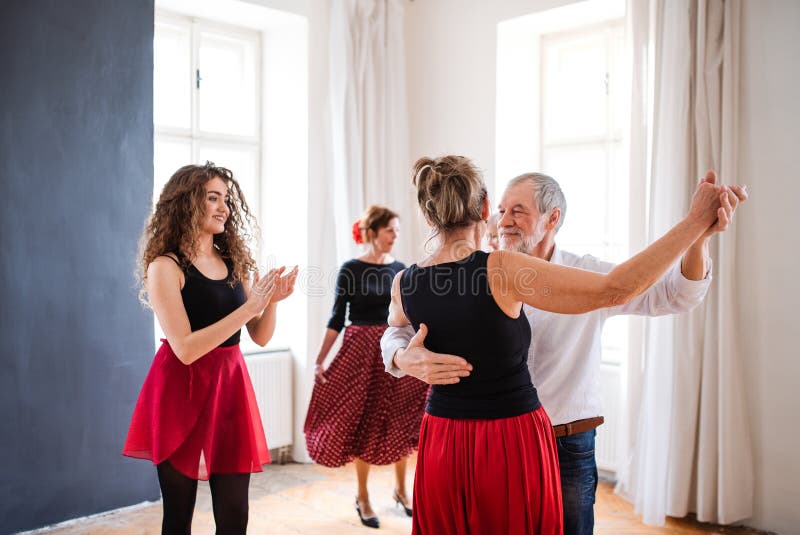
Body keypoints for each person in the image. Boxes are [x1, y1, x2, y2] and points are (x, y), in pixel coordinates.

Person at [387, 155, 737, 534]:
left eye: (518, 211)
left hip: (486, 439)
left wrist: (698, 238)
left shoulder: (406, 282)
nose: (506, 220)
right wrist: (401, 357)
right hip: (508, 439)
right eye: (502, 210)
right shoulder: (499, 267)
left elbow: (674, 294)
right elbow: (395, 334)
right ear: (486, 209)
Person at [123, 162, 298, 534]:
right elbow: (185, 349)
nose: (224, 208)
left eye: (226, 200)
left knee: (235, 516)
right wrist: (250, 307)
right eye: (213, 198)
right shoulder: (165, 267)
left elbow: (259, 336)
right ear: (187, 202)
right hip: (179, 391)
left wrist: (271, 303)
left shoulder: (234, 262)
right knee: (178, 517)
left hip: (229, 388)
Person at [303, 206, 429, 529]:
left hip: (395, 350)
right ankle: (362, 496)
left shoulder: (401, 269)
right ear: (372, 232)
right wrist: (320, 359)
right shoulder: (350, 269)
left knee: (401, 417)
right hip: (360, 354)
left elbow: (410, 317)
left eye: (397, 230)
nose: (395, 236)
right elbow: (336, 318)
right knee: (364, 422)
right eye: (390, 230)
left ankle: (401, 490)